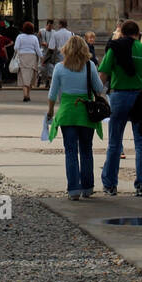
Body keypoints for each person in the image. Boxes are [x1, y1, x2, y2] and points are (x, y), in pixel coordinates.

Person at [98, 20, 142, 196]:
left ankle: (110, 184)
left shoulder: (114, 48)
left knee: (115, 142)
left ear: (121, 33)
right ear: (138, 34)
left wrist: (99, 96)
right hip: (141, 98)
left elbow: (103, 74)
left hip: (119, 96)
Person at [47, 35, 106, 200]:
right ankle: (87, 187)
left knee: (71, 151)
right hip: (86, 113)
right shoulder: (90, 66)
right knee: (86, 150)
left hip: (67, 112)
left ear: (66, 49)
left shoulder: (59, 68)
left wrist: (51, 111)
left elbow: (52, 94)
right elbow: (99, 88)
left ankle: (73, 189)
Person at [13, 22, 43, 101]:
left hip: (22, 57)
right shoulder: (34, 38)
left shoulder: (20, 37)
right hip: (32, 57)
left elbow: (16, 47)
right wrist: (42, 57)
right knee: (30, 77)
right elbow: (38, 49)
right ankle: (28, 95)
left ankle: (25, 94)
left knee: (23, 76)